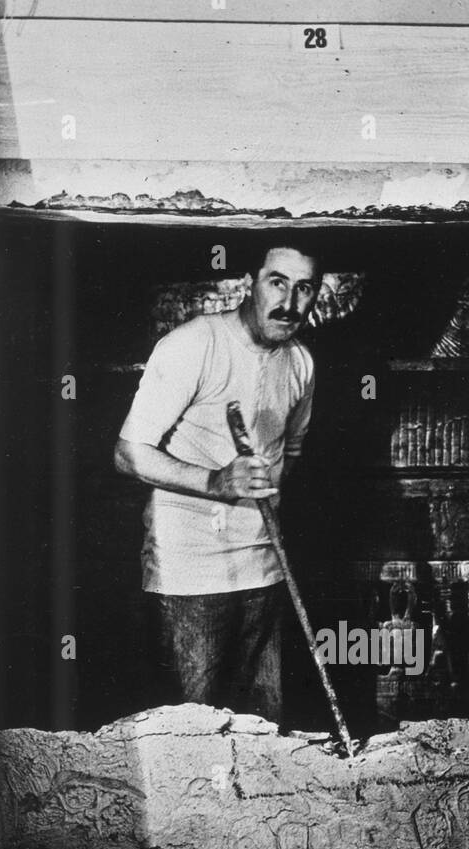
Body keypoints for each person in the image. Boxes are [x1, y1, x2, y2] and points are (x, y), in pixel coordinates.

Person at [114, 239, 321, 724]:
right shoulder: (194, 345)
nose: (289, 303)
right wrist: (216, 481)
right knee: (190, 738)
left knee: (263, 735)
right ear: (250, 284)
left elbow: (288, 455)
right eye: (277, 282)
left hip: (265, 571)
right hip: (189, 578)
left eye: (304, 288)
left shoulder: (301, 364)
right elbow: (128, 453)